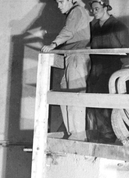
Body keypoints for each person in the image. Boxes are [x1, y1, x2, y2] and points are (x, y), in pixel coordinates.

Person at [41, 0, 91, 138]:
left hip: (77, 57)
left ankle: (79, 134)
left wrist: (53, 44)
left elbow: (68, 31)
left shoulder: (77, 11)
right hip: (70, 57)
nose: (58, 6)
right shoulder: (73, 13)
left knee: (76, 95)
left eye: (61, 2)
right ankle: (72, 132)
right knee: (66, 93)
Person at [86, 1, 129, 143]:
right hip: (95, 72)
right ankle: (103, 137)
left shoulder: (118, 26)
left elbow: (127, 49)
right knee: (97, 107)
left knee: (111, 107)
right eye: (92, 10)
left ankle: (113, 137)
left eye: (97, 9)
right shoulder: (93, 26)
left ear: (106, 7)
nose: (94, 12)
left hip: (112, 72)